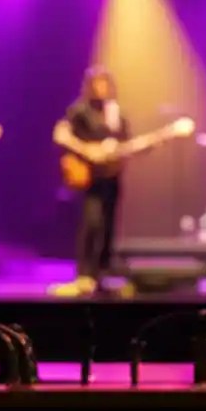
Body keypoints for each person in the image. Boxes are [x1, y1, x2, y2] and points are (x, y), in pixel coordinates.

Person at [50, 66, 130, 297]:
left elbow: (124, 141)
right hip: (88, 178)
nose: (101, 88)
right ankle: (84, 275)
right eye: (97, 83)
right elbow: (61, 135)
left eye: (106, 83)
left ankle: (102, 275)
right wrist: (87, 150)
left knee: (109, 226)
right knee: (91, 223)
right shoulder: (79, 111)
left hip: (111, 177)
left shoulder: (116, 113)